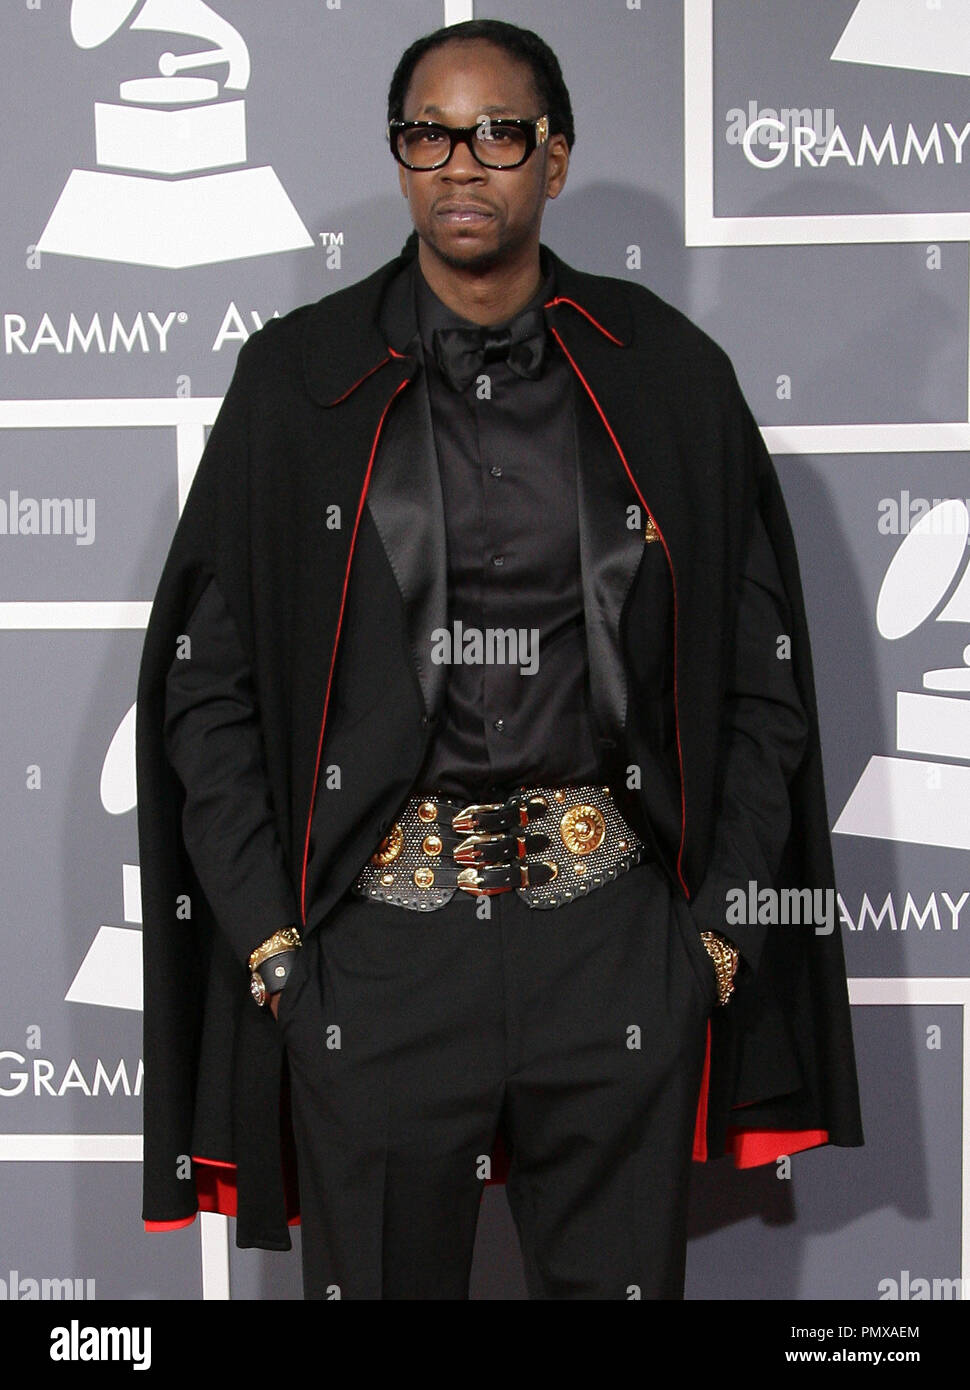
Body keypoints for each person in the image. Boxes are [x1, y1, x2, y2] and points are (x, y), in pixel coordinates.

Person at [136, 18, 863, 1300]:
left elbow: (765, 688)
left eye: (498, 133)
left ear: (556, 157)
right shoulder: (297, 381)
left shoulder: (668, 377)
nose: (461, 163)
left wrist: (711, 945)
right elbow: (207, 686)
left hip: (612, 946)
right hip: (377, 957)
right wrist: (275, 951)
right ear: (401, 156)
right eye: (428, 133)